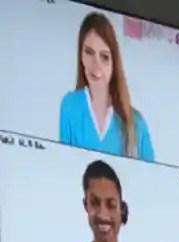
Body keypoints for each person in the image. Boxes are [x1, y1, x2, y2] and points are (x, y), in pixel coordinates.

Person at [59, 12, 155, 161]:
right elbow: (63, 167)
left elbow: (153, 180)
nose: (96, 66)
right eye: (89, 53)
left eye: (104, 57)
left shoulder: (136, 124)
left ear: (114, 62)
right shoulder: (70, 106)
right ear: (81, 56)